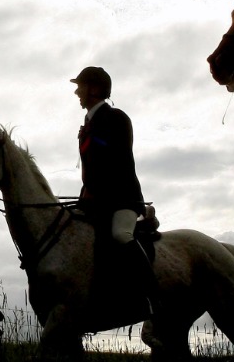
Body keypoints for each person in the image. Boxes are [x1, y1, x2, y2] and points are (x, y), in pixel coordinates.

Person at [73, 65, 157, 317]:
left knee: (121, 235)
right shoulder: (88, 124)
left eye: (81, 86)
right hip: (94, 200)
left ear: (95, 89)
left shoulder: (116, 118)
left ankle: (151, 296)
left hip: (121, 197)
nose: (77, 92)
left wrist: (91, 136)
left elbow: (118, 157)